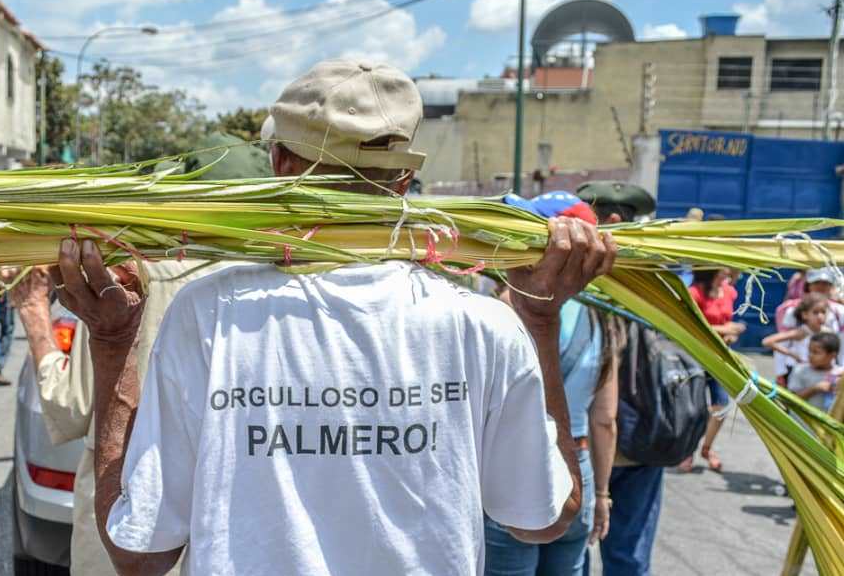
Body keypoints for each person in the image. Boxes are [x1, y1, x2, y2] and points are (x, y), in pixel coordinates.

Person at [55, 60, 618, 574]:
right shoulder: (483, 325)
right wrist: (539, 321)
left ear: (280, 164)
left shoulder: (209, 316)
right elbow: (543, 519)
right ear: (402, 177)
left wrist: (112, 340)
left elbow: (141, 552)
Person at [13, 260, 225, 576]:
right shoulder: (250, 271)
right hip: (221, 506)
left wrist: (33, 310)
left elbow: (70, 407)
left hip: (127, 506)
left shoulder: (123, 277)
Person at [484, 192, 619, 576]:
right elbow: (605, 419)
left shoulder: (503, 307)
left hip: (513, 468)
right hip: (580, 466)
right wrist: (601, 494)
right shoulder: (604, 317)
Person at [574, 180, 666, 576]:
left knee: (572, 556)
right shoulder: (654, 281)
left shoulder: (571, 281)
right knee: (627, 558)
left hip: (589, 443)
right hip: (636, 440)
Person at [679, 268, 744, 473]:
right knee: (694, 407)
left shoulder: (729, 292)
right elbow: (690, 325)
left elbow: (726, 321)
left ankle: (707, 447)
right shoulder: (694, 293)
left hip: (720, 356)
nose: (726, 277)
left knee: (721, 405)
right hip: (696, 356)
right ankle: (687, 450)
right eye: (721, 274)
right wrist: (725, 330)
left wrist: (731, 333)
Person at [764, 293, 830, 386]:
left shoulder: (827, 332)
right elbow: (768, 341)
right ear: (805, 315)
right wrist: (792, 354)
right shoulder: (802, 332)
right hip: (796, 371)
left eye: (823, 312)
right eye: (815, 312)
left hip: (816, 371)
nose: (820, 316)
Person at [775, 268, 844, 343]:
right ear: (808, 285)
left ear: (831, 286)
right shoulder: (790, 308)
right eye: (816, 282)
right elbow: (783, 340)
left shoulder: (839, 309)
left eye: (825, 283)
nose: (821, 286)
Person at [787, 332, 843, 412]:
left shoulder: (839, 373)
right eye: (809, 351)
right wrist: (815, 389)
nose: (810, 355)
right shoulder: (800, 370)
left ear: (832, 355)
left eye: (816, 352)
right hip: (801, 422)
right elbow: (791, 398)